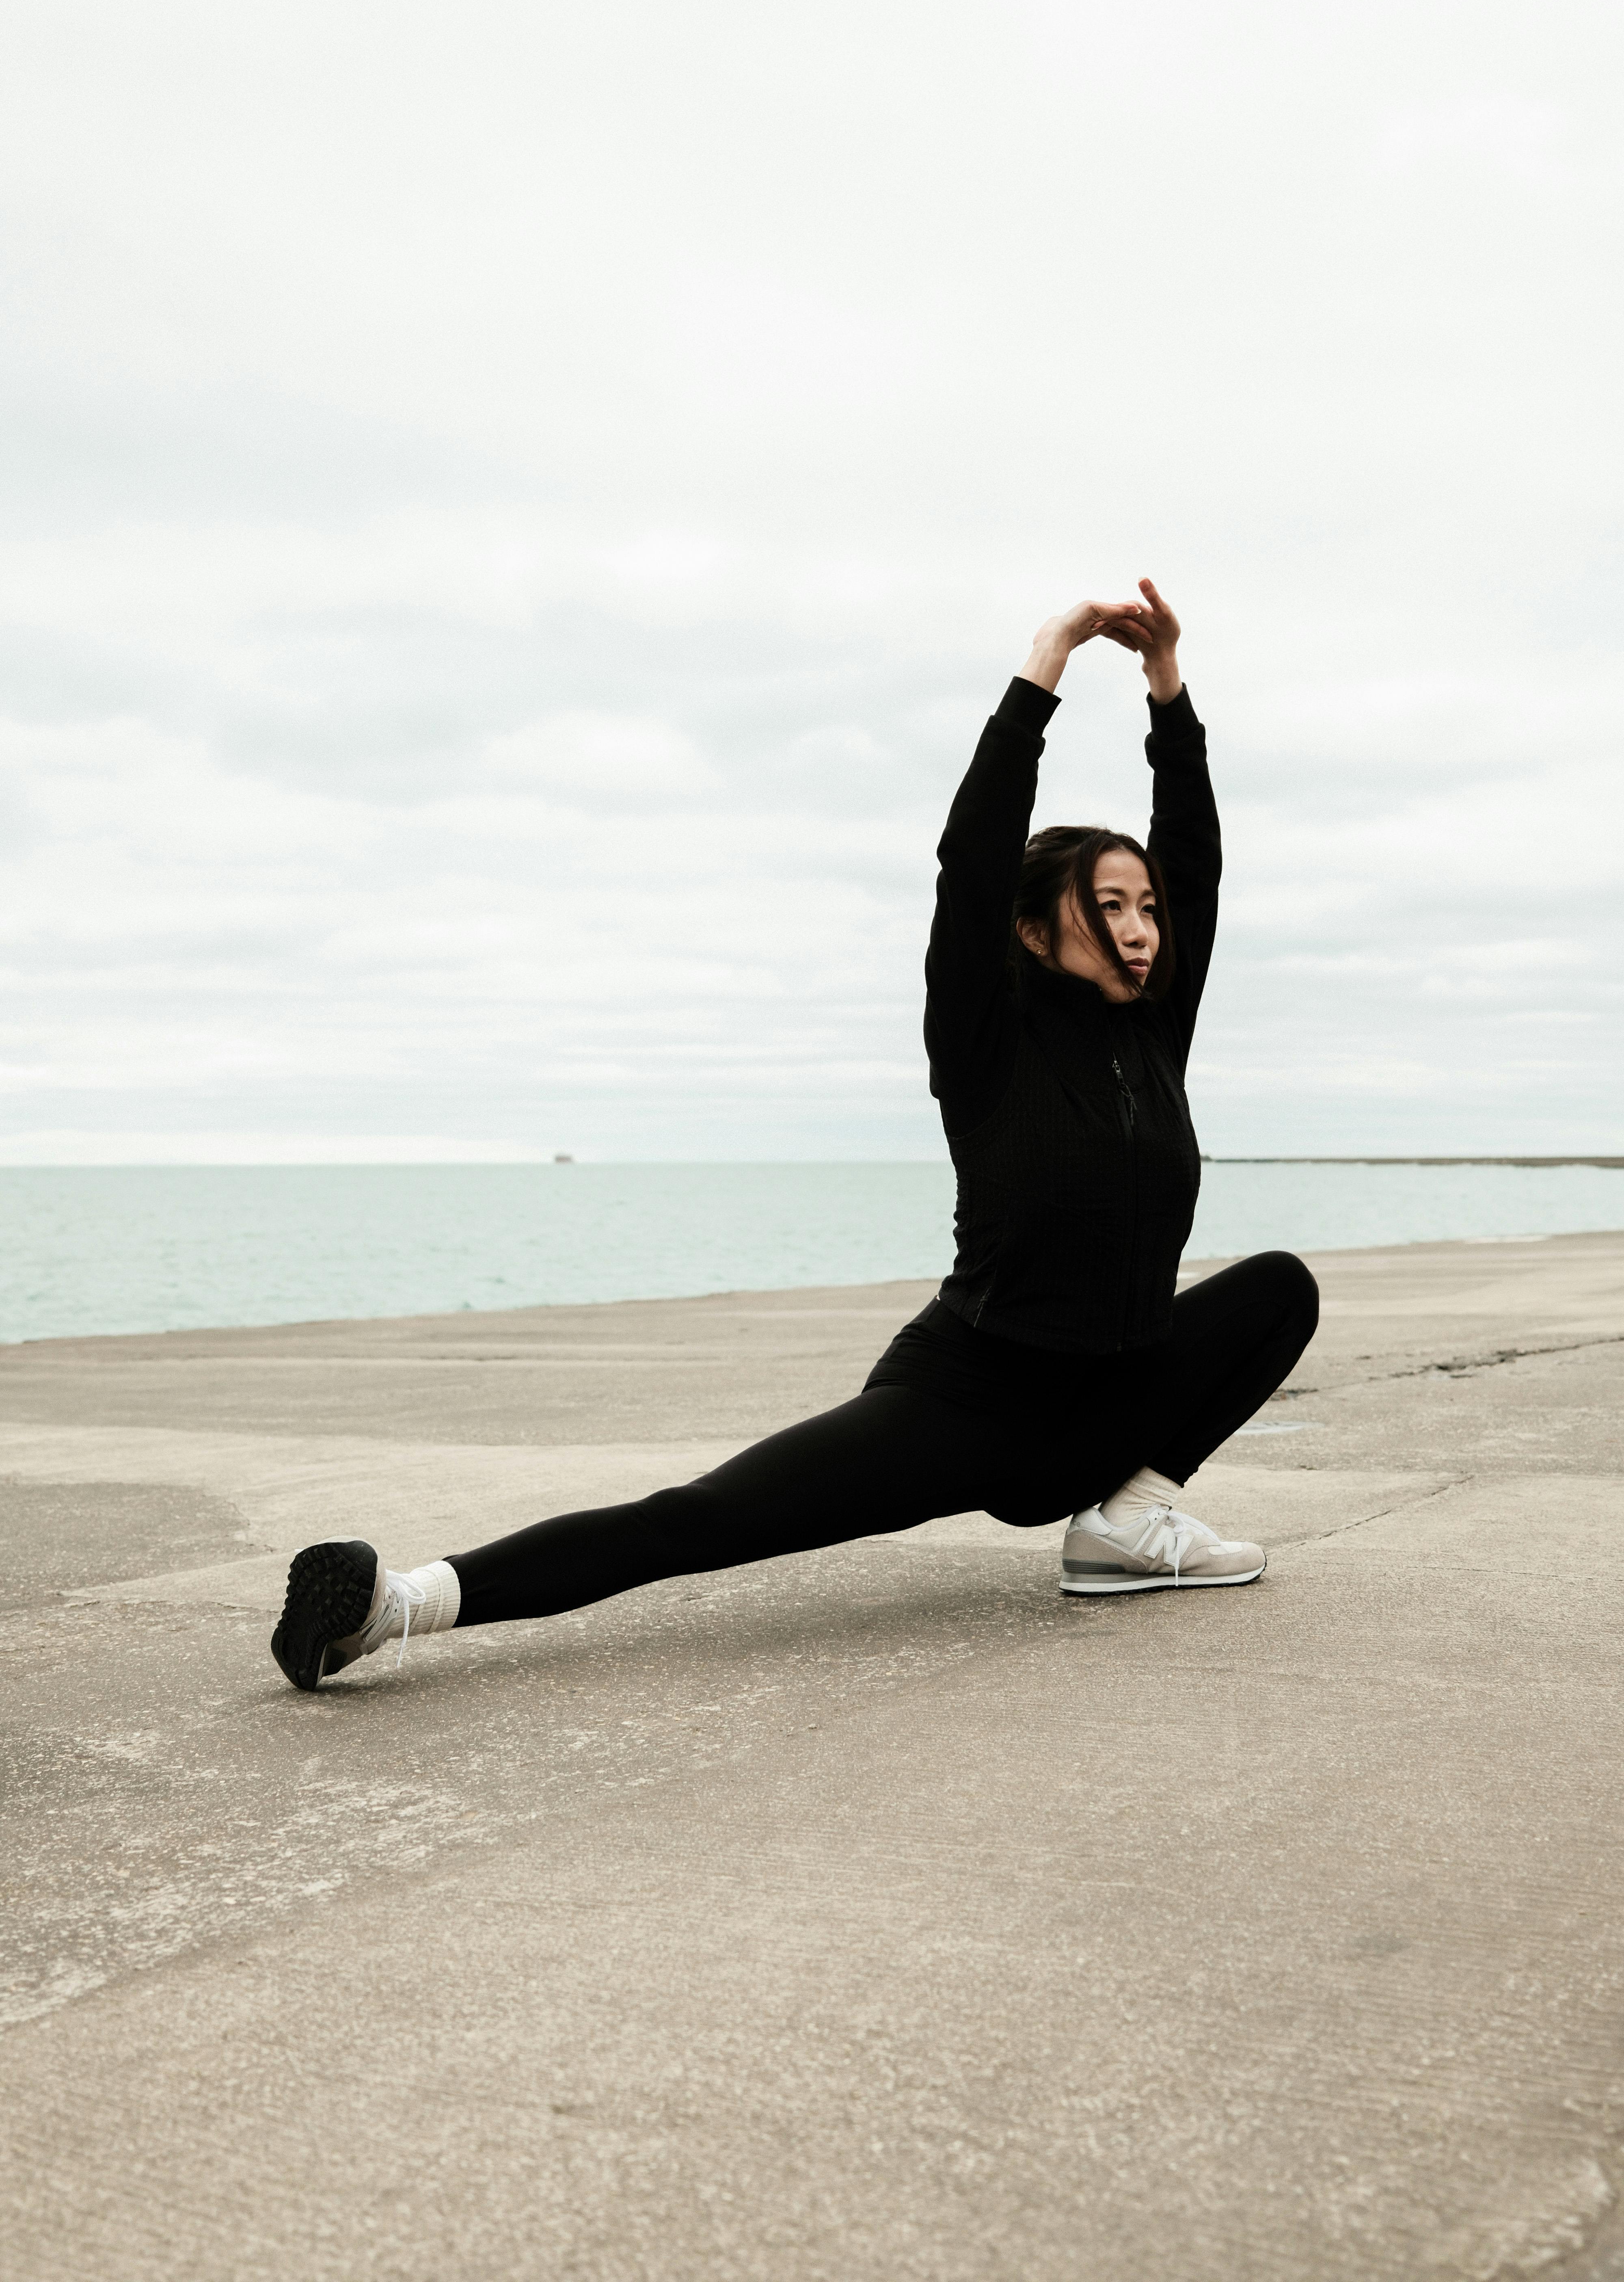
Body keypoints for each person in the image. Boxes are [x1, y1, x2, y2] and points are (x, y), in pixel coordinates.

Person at [272, 580, 1319, 1692]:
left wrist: (1168, 690)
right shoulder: (987, 1041)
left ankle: (1131, 1522)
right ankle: (389, 1609)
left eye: (1146, 908)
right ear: (1031, 929)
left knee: (1276, 1292)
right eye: (1109, 906)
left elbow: (1195, 861)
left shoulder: (1155, 1033)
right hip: (974, 1404)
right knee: (699, 1519)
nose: (1141, 929)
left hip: (1108, 1403)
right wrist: (1046, 666)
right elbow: (971, 866)